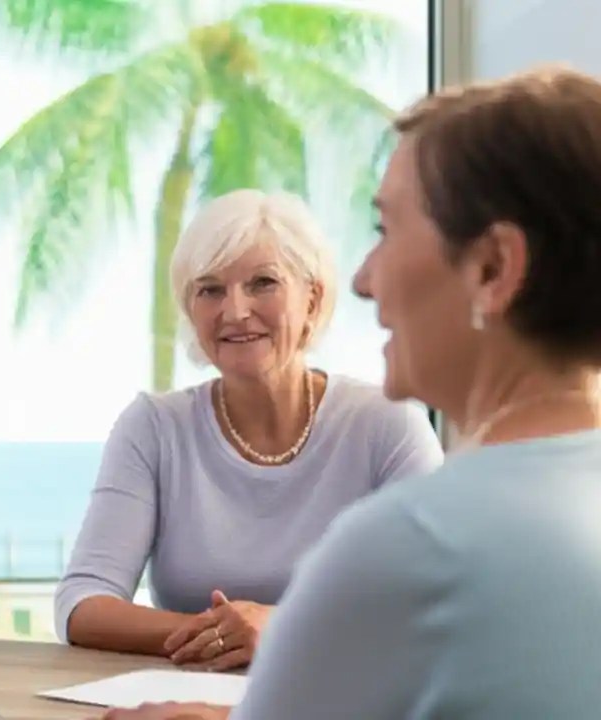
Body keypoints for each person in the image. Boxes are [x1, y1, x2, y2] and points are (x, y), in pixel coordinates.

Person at [102, 65, 601, 720]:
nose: (364, 280)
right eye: (211, 289)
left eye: (387, 232)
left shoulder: (409, 547)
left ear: (492, 268)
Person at [56, 189, 443, 670]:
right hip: (186, 696)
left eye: (263, 283)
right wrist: (223, 635)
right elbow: (83, 602)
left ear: (312, 299)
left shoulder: (387, 425)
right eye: (210, 290)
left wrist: (283, 629)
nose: (235, 311)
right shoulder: (153, 428)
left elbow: (438, 603)